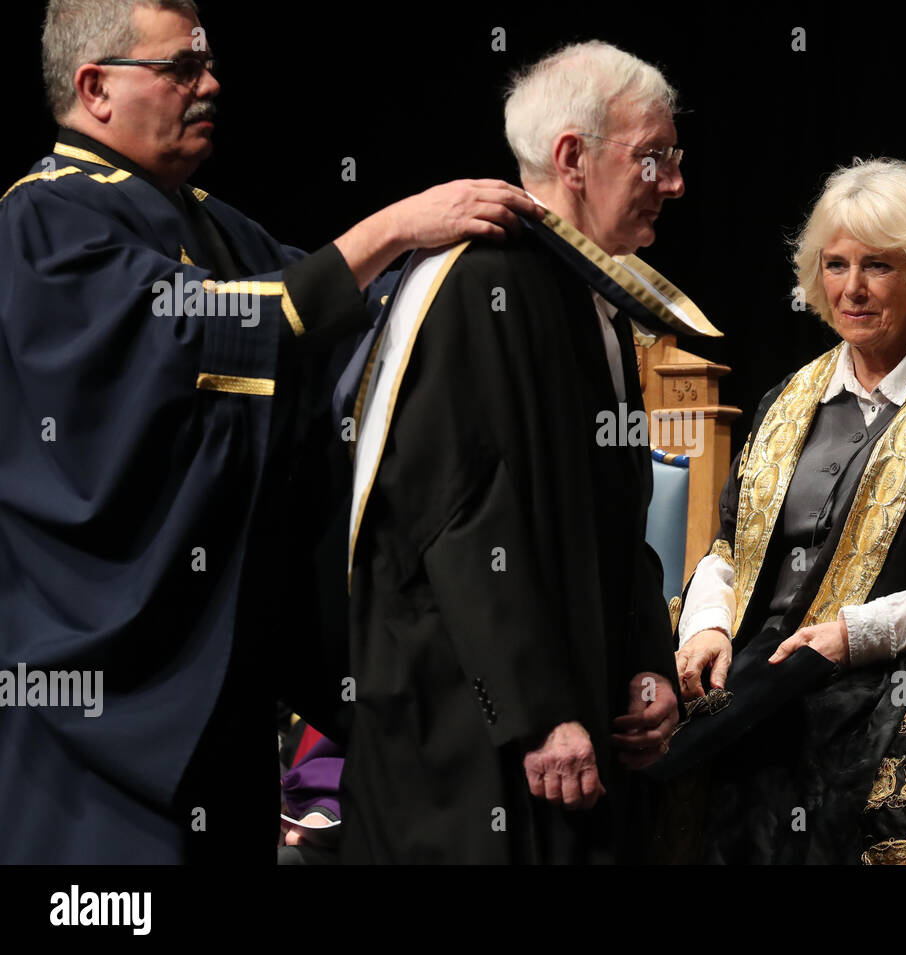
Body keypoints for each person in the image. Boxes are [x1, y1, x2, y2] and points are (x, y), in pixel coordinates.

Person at [0, 0, 538, 864]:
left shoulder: (208, 219)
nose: (209, 84)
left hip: (217, 658)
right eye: (181, 68)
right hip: (99, 689)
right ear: (95, 88)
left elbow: (344, 318)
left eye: (207, 65)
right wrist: (398, 223)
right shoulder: (45, 217)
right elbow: (205, 333)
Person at [340, 41, 709, 863]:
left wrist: (649, 663)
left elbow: (622, 517)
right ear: (573, 158)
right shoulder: (477, 284)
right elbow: (460, 520)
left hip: (573, 729)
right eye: (654, 158)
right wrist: (539, 711)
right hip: (472, 744)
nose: (675, 183)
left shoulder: (591, 297)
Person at [666, 159, 906, 864]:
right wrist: (707, 628)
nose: (852, 289)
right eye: (835, 265)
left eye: (878, 266)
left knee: (818, 756)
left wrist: (857, 633)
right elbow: (728, 548)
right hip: (759, 664)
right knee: (649, 736)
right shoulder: (791, 398)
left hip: (886, 668)